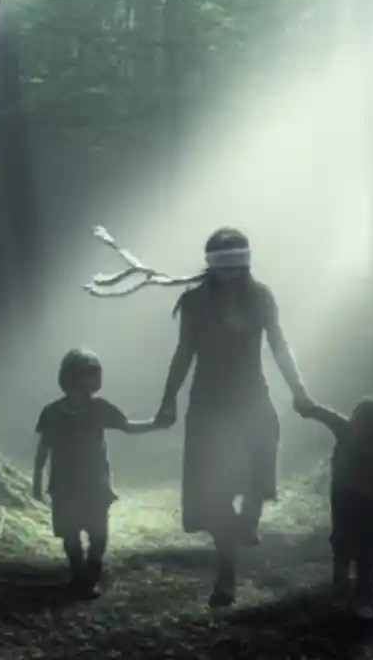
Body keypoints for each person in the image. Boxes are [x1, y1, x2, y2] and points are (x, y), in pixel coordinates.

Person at [153, 227, 315, 608]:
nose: (228, 270)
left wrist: (299, 391)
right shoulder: (194, 303)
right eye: (221, 262)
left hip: (251, 398)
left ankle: (251, 517)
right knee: (216, 488)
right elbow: (184, 352)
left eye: (234, 260)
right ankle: (226, 572)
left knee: (263, 461)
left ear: (245, 261)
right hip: (209, 403)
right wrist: (167, 399)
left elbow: (278, 344)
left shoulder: (260, 297)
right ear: (210, 263)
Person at [33, 348, 163, 598]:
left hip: (95, 483)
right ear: (71, 377)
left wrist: (155, 424)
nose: (92, 380)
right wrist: (37, 481)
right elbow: (44, 448)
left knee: (98, 534)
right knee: (70, 534)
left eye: (94, 374)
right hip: (65, 483)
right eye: (87, 374)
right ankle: (78, 574)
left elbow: (127, 427)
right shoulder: (53, 413)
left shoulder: (100, 409)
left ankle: (91, 576)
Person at [298, 397, 373, 620]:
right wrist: (309, 409)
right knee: (343, 545)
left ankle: (362, 598)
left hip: (370, 502)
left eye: (371, 423)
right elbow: (326, 415)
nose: (365, 427)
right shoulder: (346, 429)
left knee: (366, 550)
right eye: (363, 421)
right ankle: (342, 594)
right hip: (345, 497)